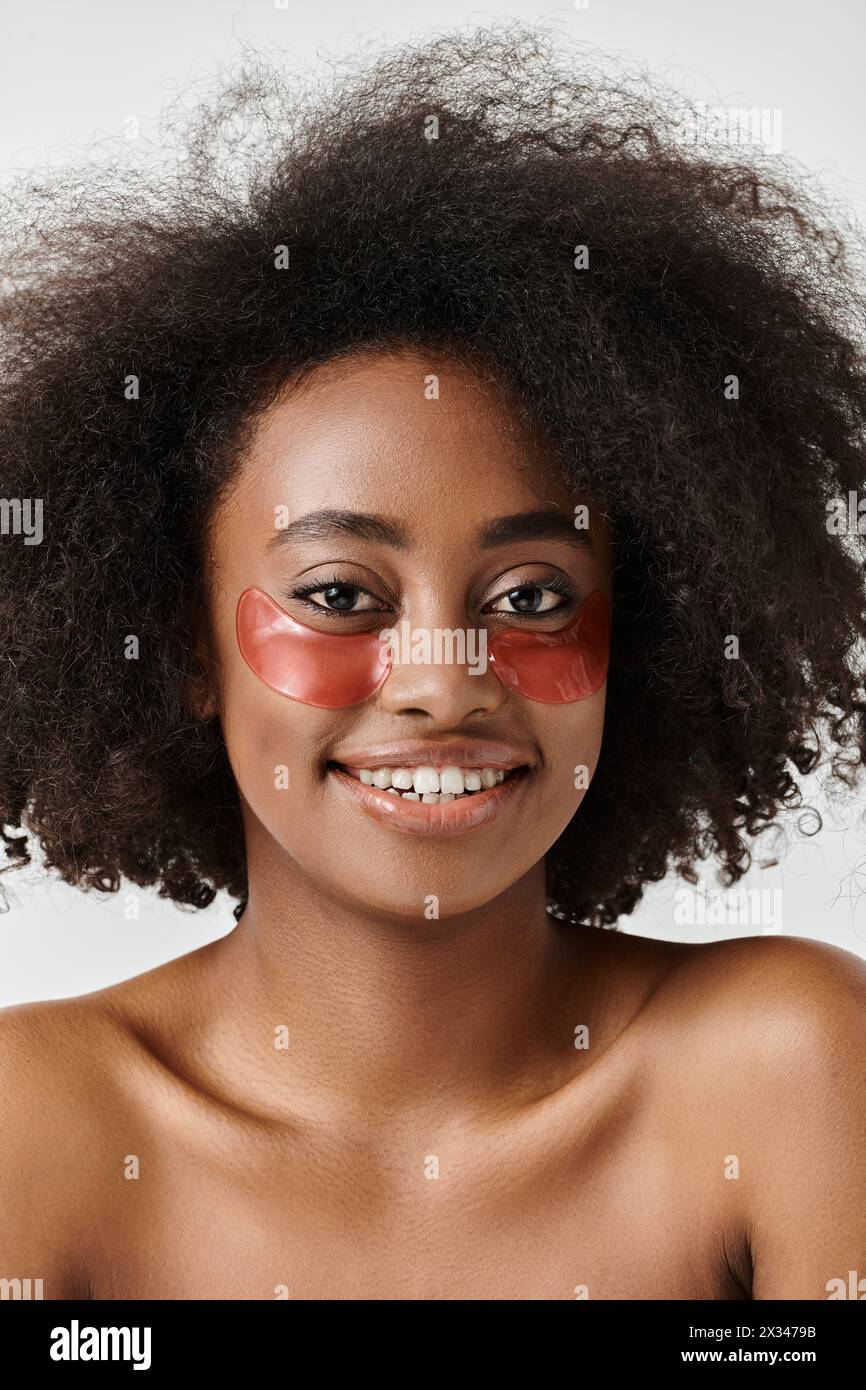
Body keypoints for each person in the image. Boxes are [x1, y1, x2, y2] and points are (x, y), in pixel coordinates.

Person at [1, 24, 864, 1300]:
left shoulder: (782, 1066)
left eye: (531, 594)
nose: (443, 678)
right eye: (340, 593)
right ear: (184, 644)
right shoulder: (40, 1128)